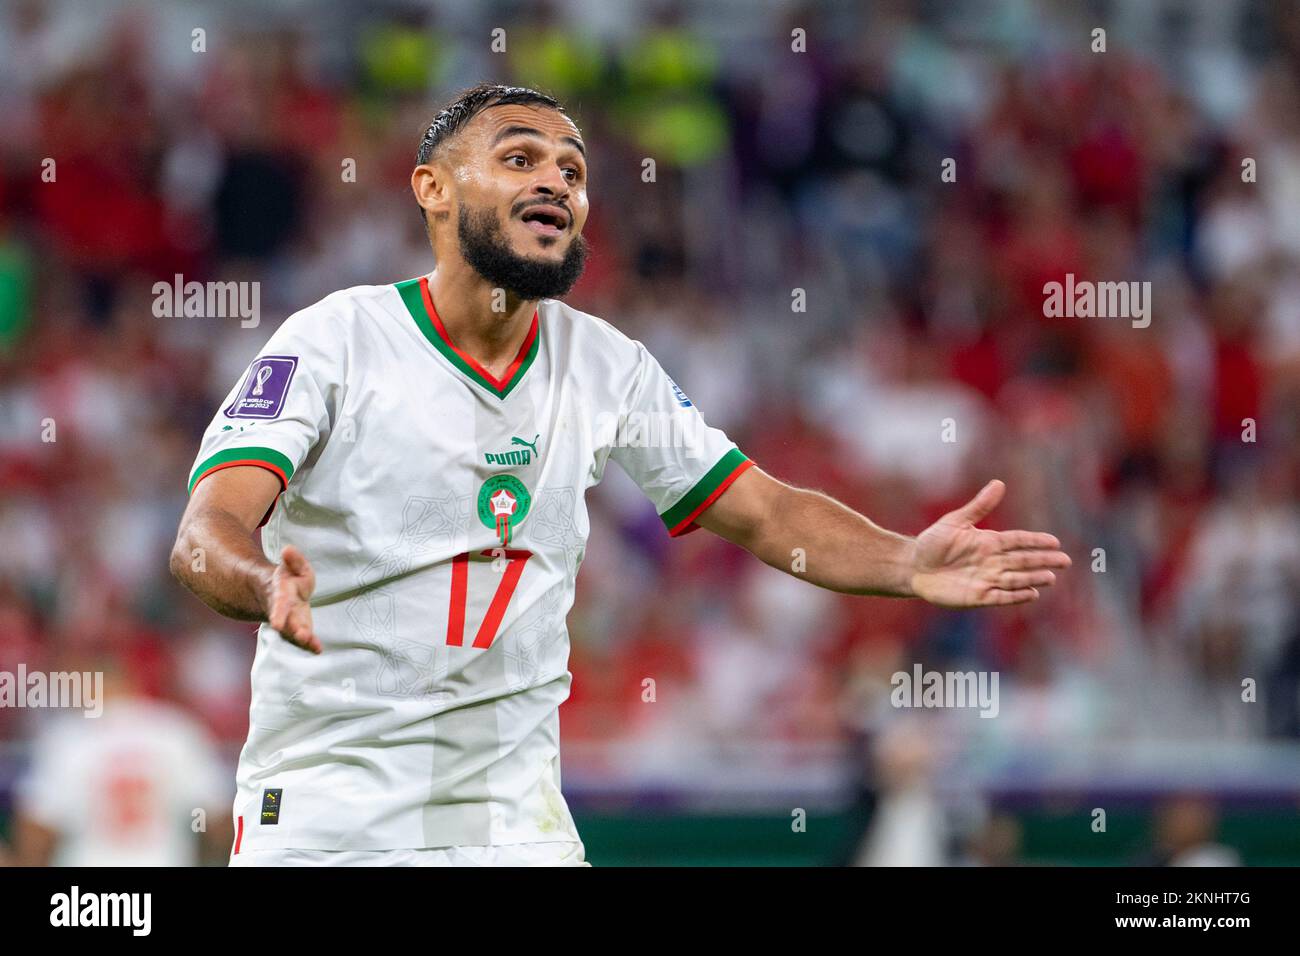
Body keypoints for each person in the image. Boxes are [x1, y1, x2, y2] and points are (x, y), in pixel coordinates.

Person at [169, 83, 1071, 867]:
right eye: (519, 157)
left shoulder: (608, 366)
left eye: (571, 168)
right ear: (433, 190)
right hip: (332, 820)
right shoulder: (335, 342)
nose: (555, 180)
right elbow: (204, 537)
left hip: (512, 828)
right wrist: (260, 582)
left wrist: (905, 563)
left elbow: (762, 513)